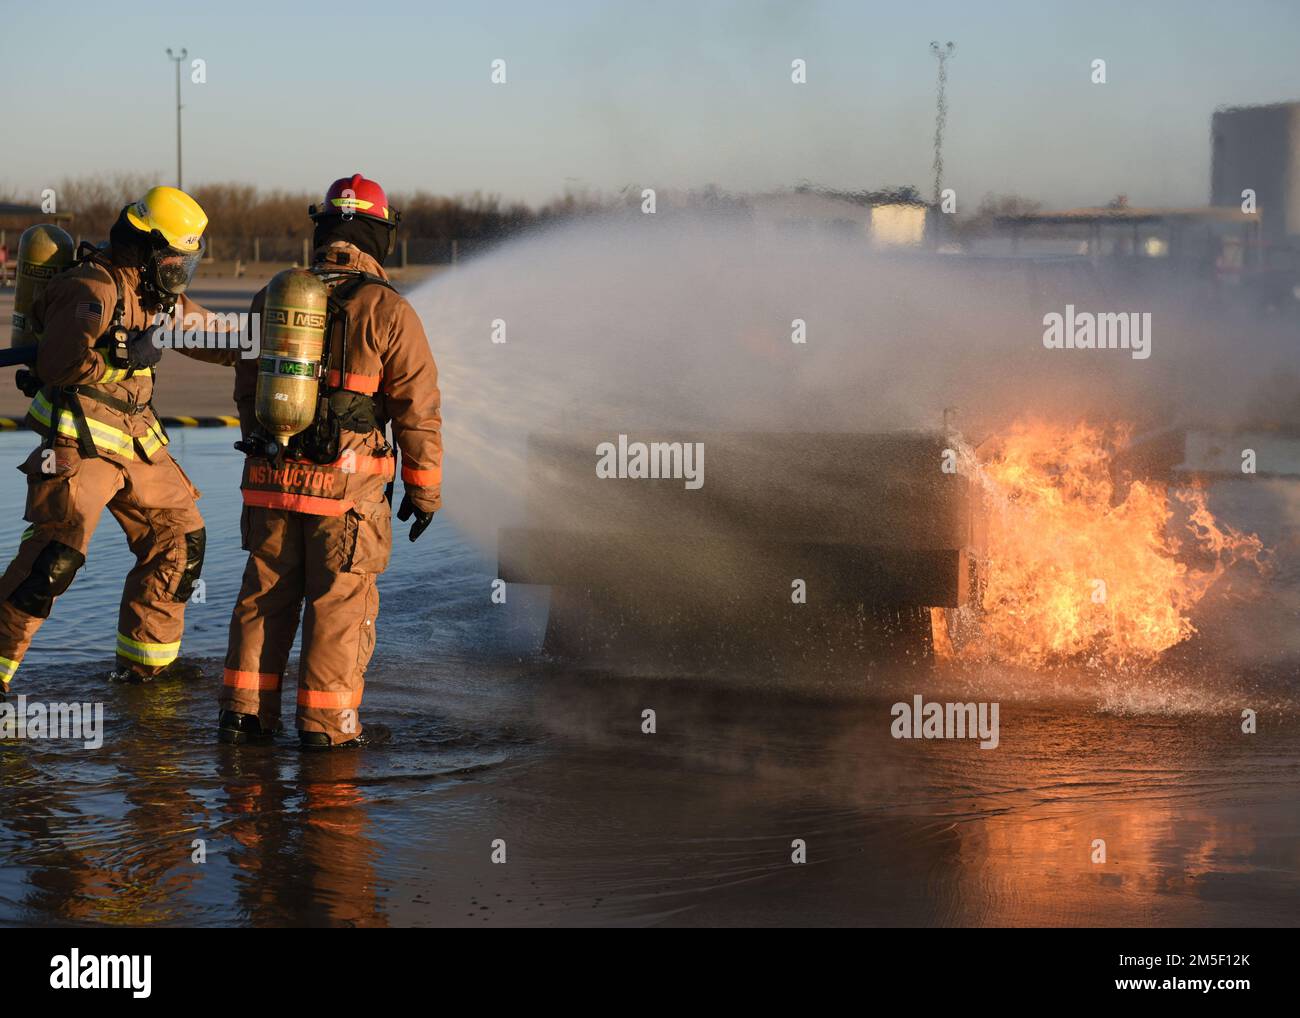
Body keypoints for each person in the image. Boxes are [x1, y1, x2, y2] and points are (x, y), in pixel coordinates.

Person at [218, 173, 442, 750]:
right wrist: (425, 493)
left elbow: (248, 389)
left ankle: (244, 720)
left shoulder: (272, 297)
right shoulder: (388, 310)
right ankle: (326, 736)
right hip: (344, 496)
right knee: (338, 606)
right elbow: (417, 411)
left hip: (269, 483)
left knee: (264, 596)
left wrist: (270, 444)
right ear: (378, 234)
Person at [0, 186, 228, 695]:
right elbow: (59, 363)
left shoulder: (153, 293)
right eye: (172, 257)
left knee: (180, 543)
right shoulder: (92, 289)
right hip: (76, 442)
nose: (178, 270)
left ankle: (145, 675)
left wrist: (279, 347)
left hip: (136, 442)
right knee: (52, 561)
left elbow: (213, 335)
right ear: (144, 246)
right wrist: (127, 357)